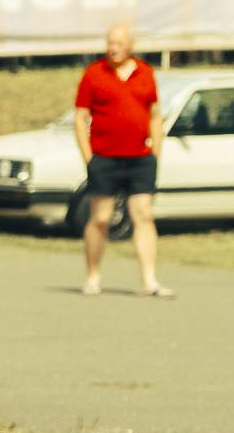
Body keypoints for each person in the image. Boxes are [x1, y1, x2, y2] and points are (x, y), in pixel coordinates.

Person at [73, 22, 172, 299]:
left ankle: (149, 279)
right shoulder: (94, 74)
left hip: (140, 158)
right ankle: (92, 276)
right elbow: (80, 118)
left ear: (130, 46)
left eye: (118, 43)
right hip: (104, 158)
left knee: (144, 215)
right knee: (101, 217)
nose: (113, 48)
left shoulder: (145, 73)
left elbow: (154, 114)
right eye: (109, 43)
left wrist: (156, 150)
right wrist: (88, 156)